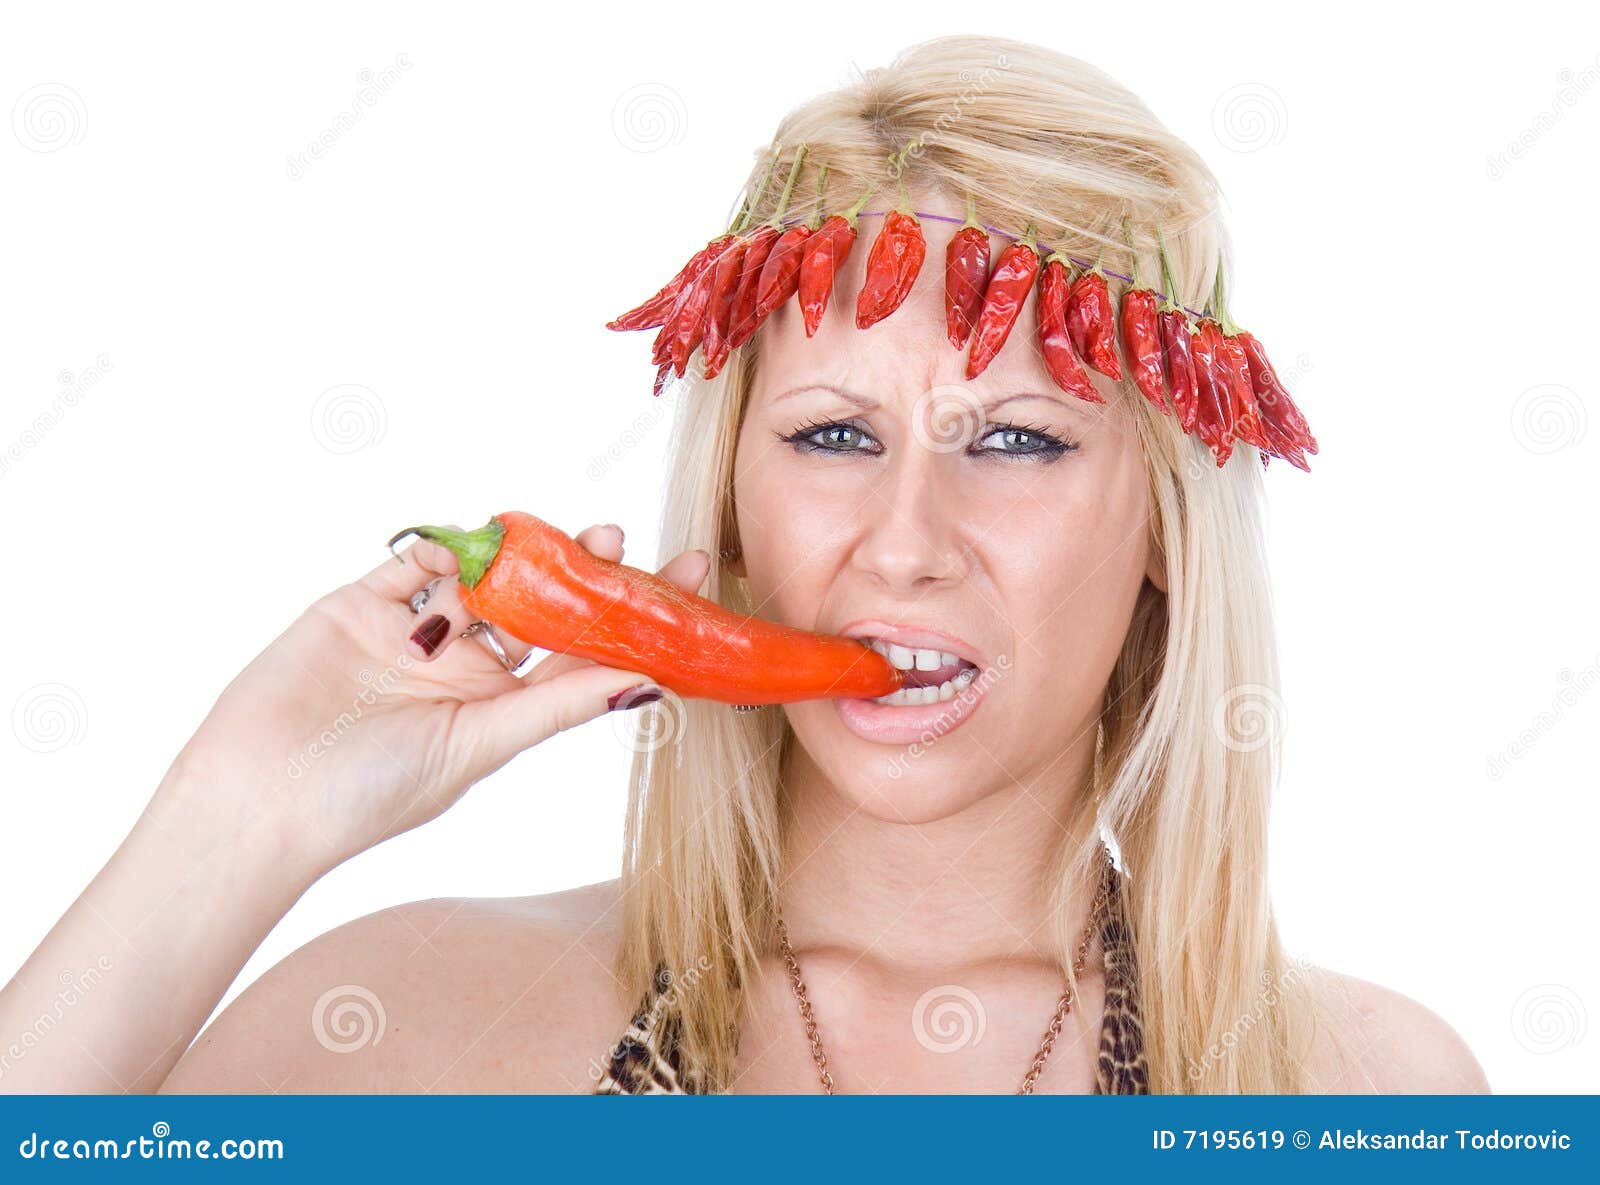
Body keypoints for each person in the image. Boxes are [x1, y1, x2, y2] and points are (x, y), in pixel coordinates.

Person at [0, 34, 1487, 1095]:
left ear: (1165, 523)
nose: (905, 541)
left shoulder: (1363, 1094)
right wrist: (236, 821)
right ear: (735, 488)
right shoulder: (406, 1021)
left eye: (1020, 441)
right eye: (835, 436)